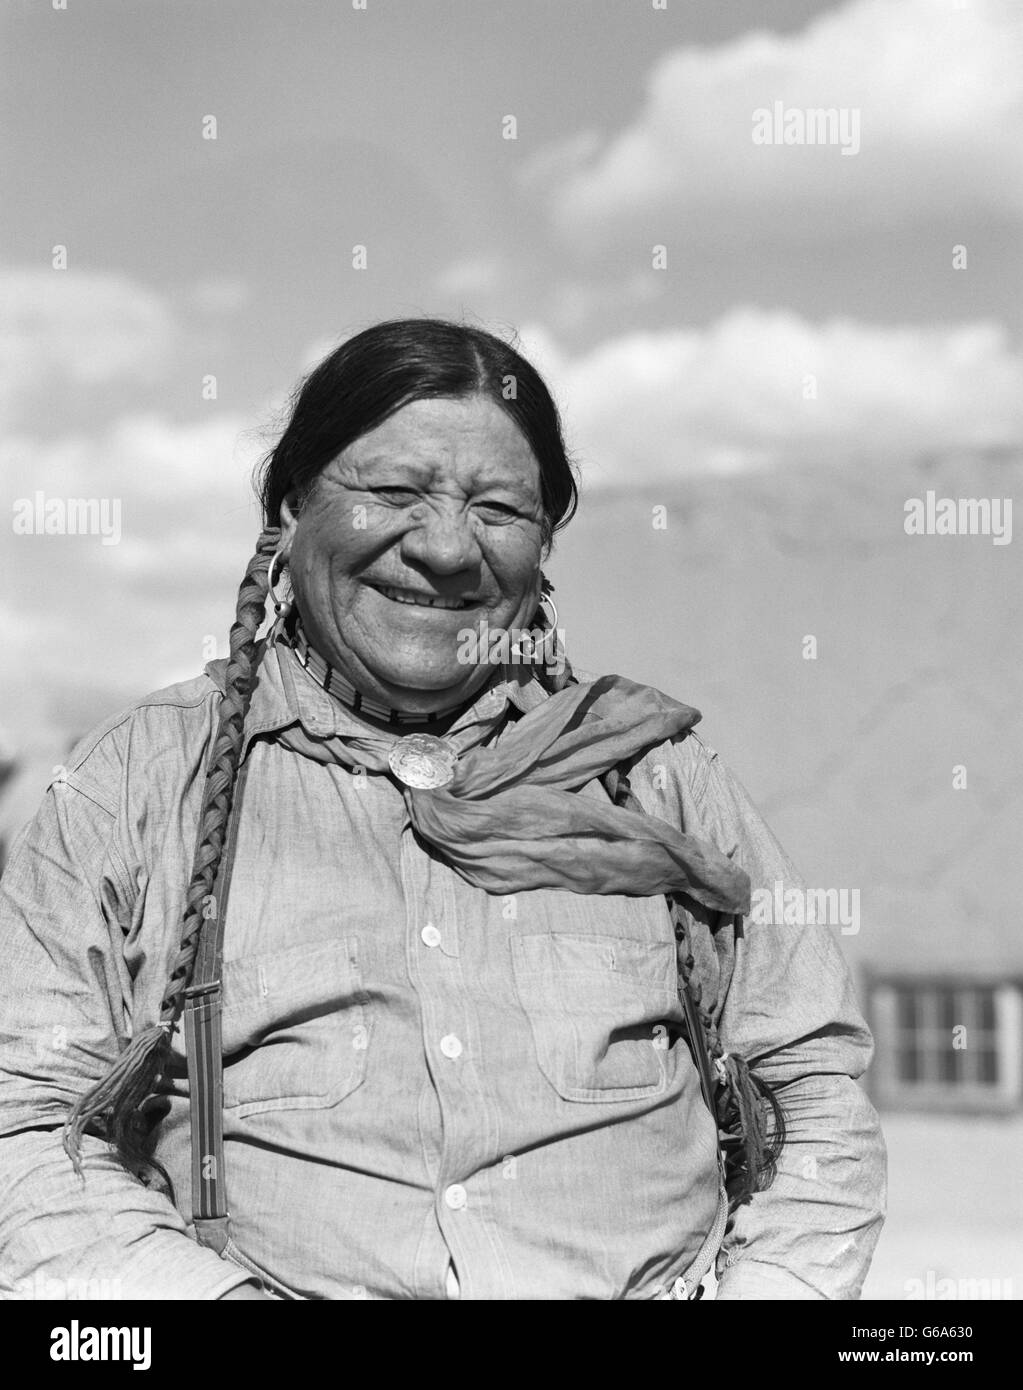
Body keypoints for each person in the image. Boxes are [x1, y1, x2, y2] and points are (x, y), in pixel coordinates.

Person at [0, 318, 885, 1301]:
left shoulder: (658, 778)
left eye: (501, 507)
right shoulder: (141, 783)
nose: (448, 548)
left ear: (544, 544)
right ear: (290, 511)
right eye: (393, 491)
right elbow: (25, 1123)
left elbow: (815, 1091)